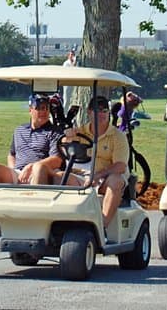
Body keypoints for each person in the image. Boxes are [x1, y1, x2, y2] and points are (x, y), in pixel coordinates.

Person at [61, 96, 129, 240]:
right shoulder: (80, 132)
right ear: (89, 112)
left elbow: (120, 166)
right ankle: (58, 224)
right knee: (57, 176)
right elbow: (64, 151)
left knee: (116, 180)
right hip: (81, 176)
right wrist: (67, 138)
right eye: (97, 110)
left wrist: (97, 176)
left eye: (104, 111)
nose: (101, 114)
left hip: (104, 179)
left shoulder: (117, 136)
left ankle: (102, 227)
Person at [0, 95, 64, 184]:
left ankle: (36, 191)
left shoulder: (55, 132)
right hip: (19, 173)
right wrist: (14, 170)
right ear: (30, 110)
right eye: (39, 108)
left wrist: (31, 167)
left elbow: (57, 160)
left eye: (47, 108)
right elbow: (12, 154)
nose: (44, 111)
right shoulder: (20, 130)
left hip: (42, 172)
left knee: (38, 168)